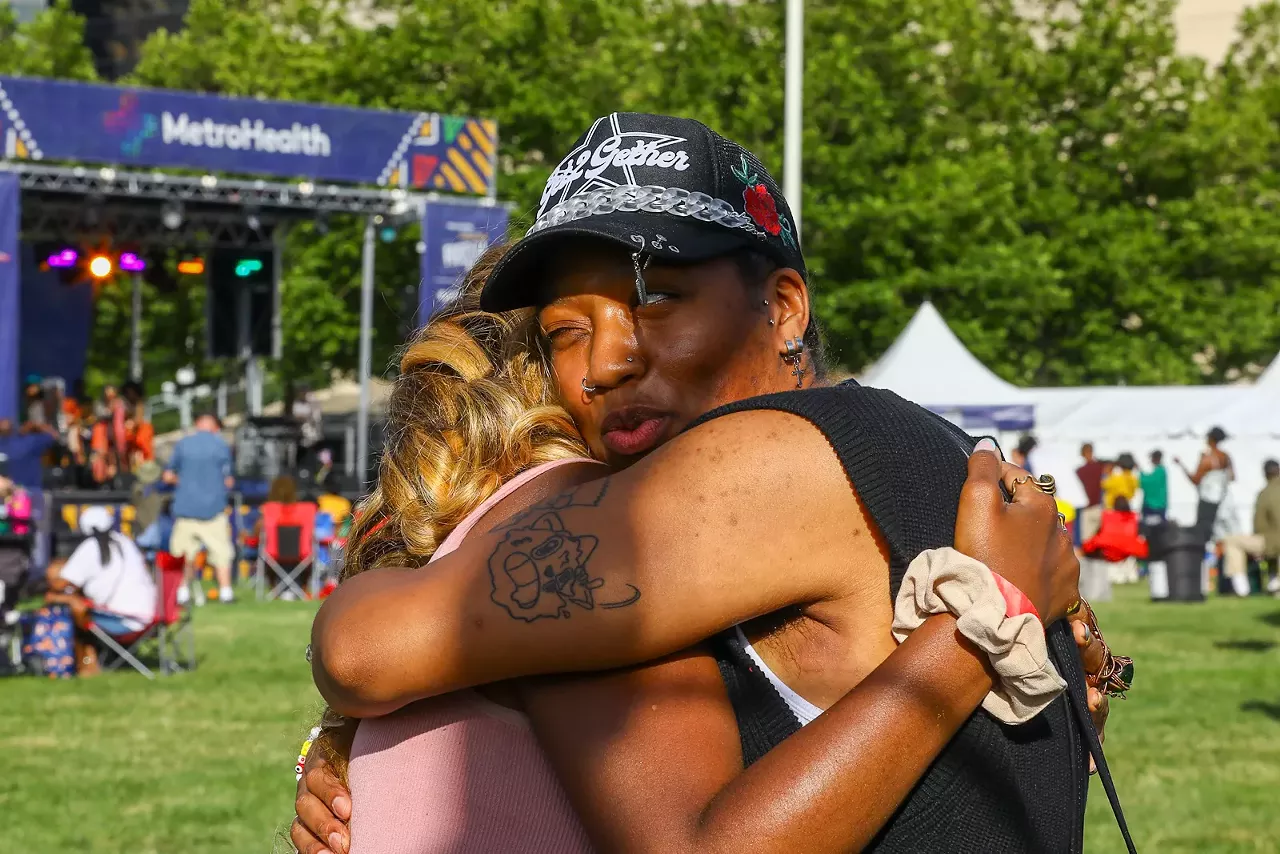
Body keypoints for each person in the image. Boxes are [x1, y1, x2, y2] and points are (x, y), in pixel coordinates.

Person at [297, 114, 1125, 854]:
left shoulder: (770, 461)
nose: (606, 364)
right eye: (565, 332)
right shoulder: (908, 439)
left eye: (657, 299)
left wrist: (984, 625)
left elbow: (361, 649)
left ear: (785, 307)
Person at [43, 505, 157, 676]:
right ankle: (104, 659)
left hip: (123, 620)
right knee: (77, 603)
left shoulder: (91, 546)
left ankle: (87, 664)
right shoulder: (125, 541)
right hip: (150, 616)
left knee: (75, 609)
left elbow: (61, 583)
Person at [164, 413, 236, 604]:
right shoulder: (220, 445)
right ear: (213, 426)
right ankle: (226, 592)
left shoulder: (183, 444)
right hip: (213, 509)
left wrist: (185, 481)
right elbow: (228, 480)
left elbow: (168, 476)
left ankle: (182, 592)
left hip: (186, 509)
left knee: (184, 554)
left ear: (197, 424)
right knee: (221, 554)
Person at [1219, 460, 1280, 597]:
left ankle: (1242, 588)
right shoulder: (1268, 491)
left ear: (1265, 473)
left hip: (1270, 541)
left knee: (1232, 541)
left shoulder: (1267, 493)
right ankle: (1273, 582)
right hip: (1271, 540)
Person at [1176, 427, 1233, 542]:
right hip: (1222, 498)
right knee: (1219, 530)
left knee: (1203, 532)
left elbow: (1195, 480)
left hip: (1207, 500)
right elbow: (1232, 477)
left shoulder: (1207, 458)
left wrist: (1181, 466)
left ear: (1211, 439)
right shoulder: (1226, 457)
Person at [1076, 442, 1105, 542]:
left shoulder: (1079, 471)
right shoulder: (1100, 467)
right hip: (1098, 506)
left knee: (1087, 540)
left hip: (1088, 508)